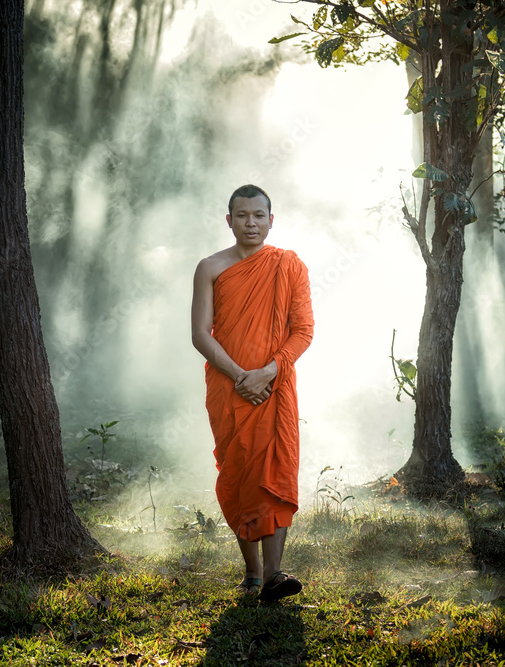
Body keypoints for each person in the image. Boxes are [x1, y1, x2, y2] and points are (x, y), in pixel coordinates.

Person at [190, 184, 314, 602]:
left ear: (271, 220)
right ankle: (252, 572)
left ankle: (276, 574)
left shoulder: (288, 265)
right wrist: (243, 375)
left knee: (275, 470)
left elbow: (303, 332)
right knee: (239, 469)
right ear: (229, 221)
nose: (251, 223)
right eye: (242, 216)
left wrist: (268, 372)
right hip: (228, 386)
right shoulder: (210, 267)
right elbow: (199, 335)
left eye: (259, 216)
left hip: (276, 386)